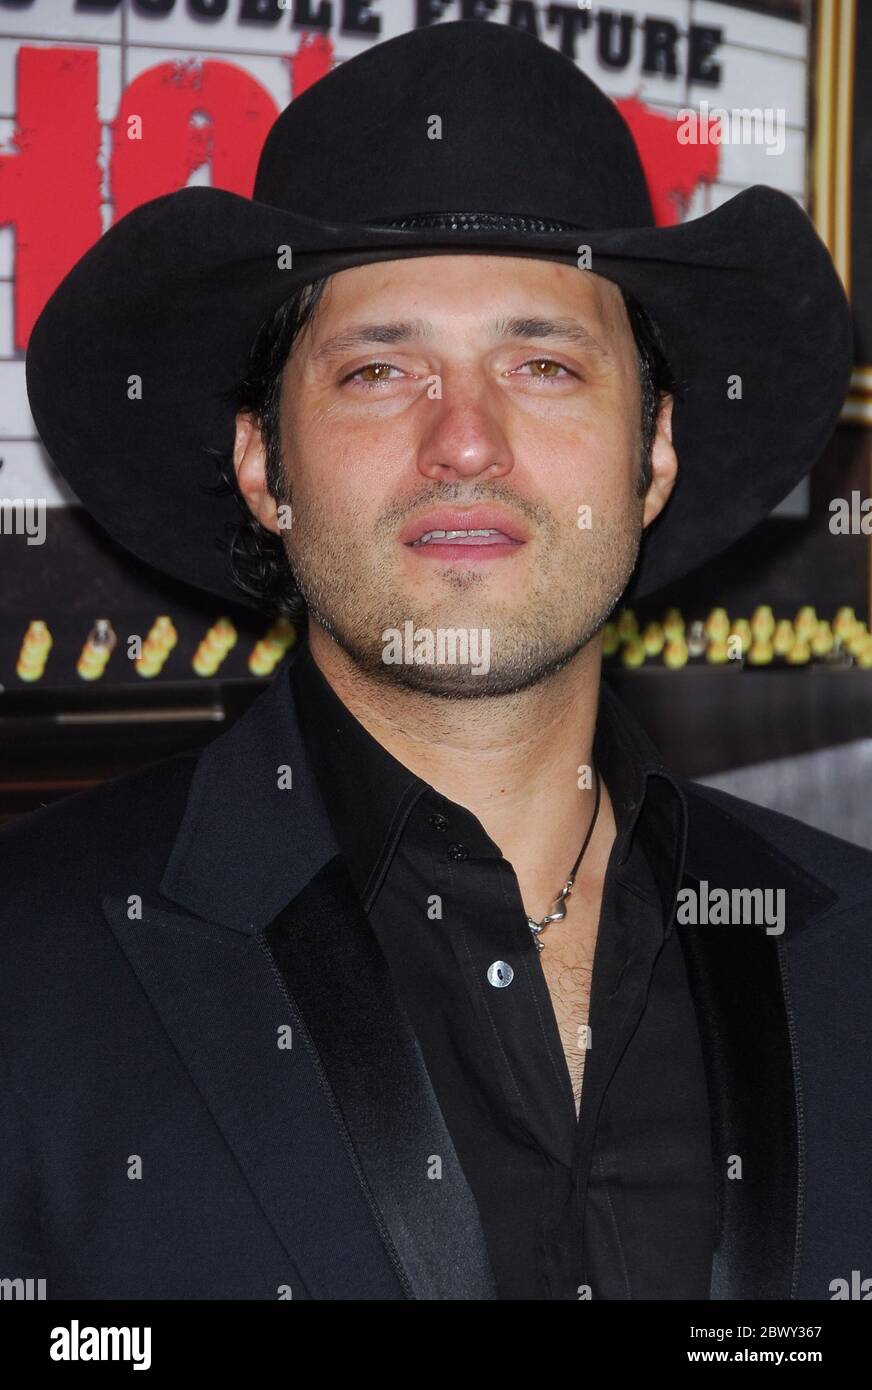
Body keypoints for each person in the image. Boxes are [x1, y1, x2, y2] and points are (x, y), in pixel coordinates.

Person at [4, 20, 869, 1301]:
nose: (463, 440)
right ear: (262, 463)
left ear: (655, 449)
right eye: (376, 368)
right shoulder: (27, 968)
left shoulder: (849, 947)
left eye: (541, 363)